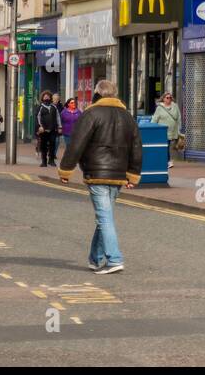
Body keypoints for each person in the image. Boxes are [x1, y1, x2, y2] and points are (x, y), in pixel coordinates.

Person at [58, 79, 142, 275]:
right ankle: (95, 259)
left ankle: (114, 259)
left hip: (96, 173)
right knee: (105, 217)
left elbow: (76, 143)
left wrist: (65, 170)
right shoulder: (127, 116)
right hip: (119, 174)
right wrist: (133, 174)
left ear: (97, 94)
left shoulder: (91, 114)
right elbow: (137, 147)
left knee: (104, 218)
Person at [151, 91, 181, 171]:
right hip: (163, 131)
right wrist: (151, 127)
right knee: (166, 145)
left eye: (170, 97)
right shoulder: (159, 108)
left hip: (174, 130)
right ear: (163, 99)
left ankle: (168, 160)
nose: (169, 99)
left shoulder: (175, 106)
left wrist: (179, 128)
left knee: (173, 146)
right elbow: (155, 119)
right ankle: (168, 161)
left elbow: (179, 118)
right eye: (167, 98)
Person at [35, 90, 61, 168]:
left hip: (53, 129)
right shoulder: (40, 107)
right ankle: (44, 161)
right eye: (44, 96)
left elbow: (58, 117)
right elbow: (37, 117)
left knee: (53, 145)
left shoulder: (54, 107)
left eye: (48, 96)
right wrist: (40, 126)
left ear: (50, 97)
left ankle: (51, 161)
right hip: (43, 130)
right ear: (42, 98)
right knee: (43, 146)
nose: (46, 97)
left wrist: (60, 127)